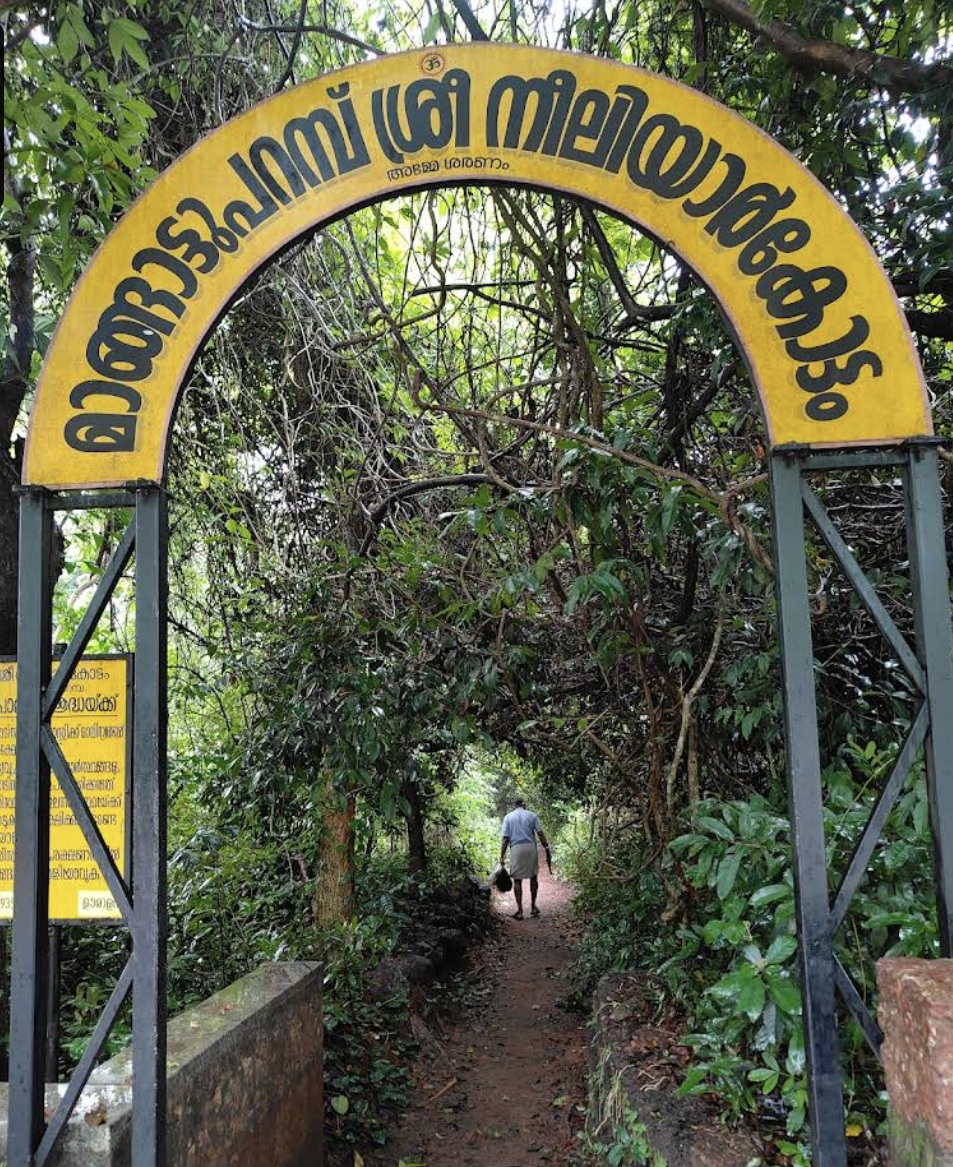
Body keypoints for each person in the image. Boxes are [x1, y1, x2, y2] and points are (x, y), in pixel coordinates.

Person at [499, 797, 551, 920]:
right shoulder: (532, 815)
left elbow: (505, 838)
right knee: (533, 877)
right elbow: (540, 833)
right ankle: (533, 907)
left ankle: (520, 911)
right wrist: (546, 847)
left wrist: (502, 855)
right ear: (524, 805)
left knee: (517, 880)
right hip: (530, 848)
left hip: (516, 849)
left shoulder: (508, 817)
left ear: (514, 806)